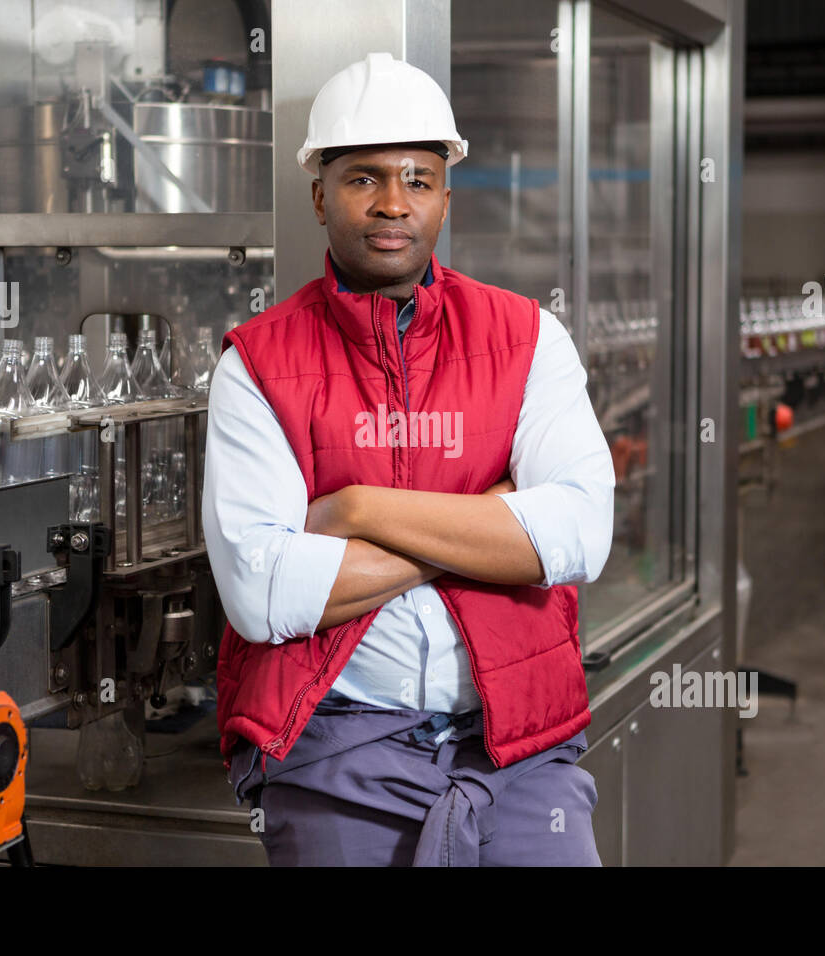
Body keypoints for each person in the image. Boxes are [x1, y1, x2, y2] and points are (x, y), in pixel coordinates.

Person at [202, 51, 615, 866]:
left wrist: (355, 511)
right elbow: (261, 590)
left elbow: (579, 536)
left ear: (445, 198)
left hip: (517, 750)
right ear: (320, 193)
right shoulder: (257, 363)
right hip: (336, 751)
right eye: (363, 178)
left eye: (418, 179)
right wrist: (487, 524)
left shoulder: (529, 339)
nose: (394, 203)